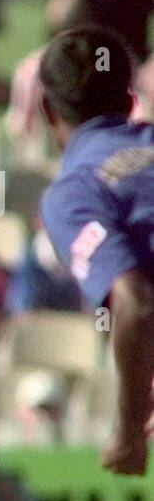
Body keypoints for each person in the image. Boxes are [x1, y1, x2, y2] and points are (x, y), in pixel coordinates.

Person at [38, 26, 154, 476]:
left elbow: (135, 302)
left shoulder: (75, 192)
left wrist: (128, 429)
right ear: (129, 100)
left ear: (49, 110)